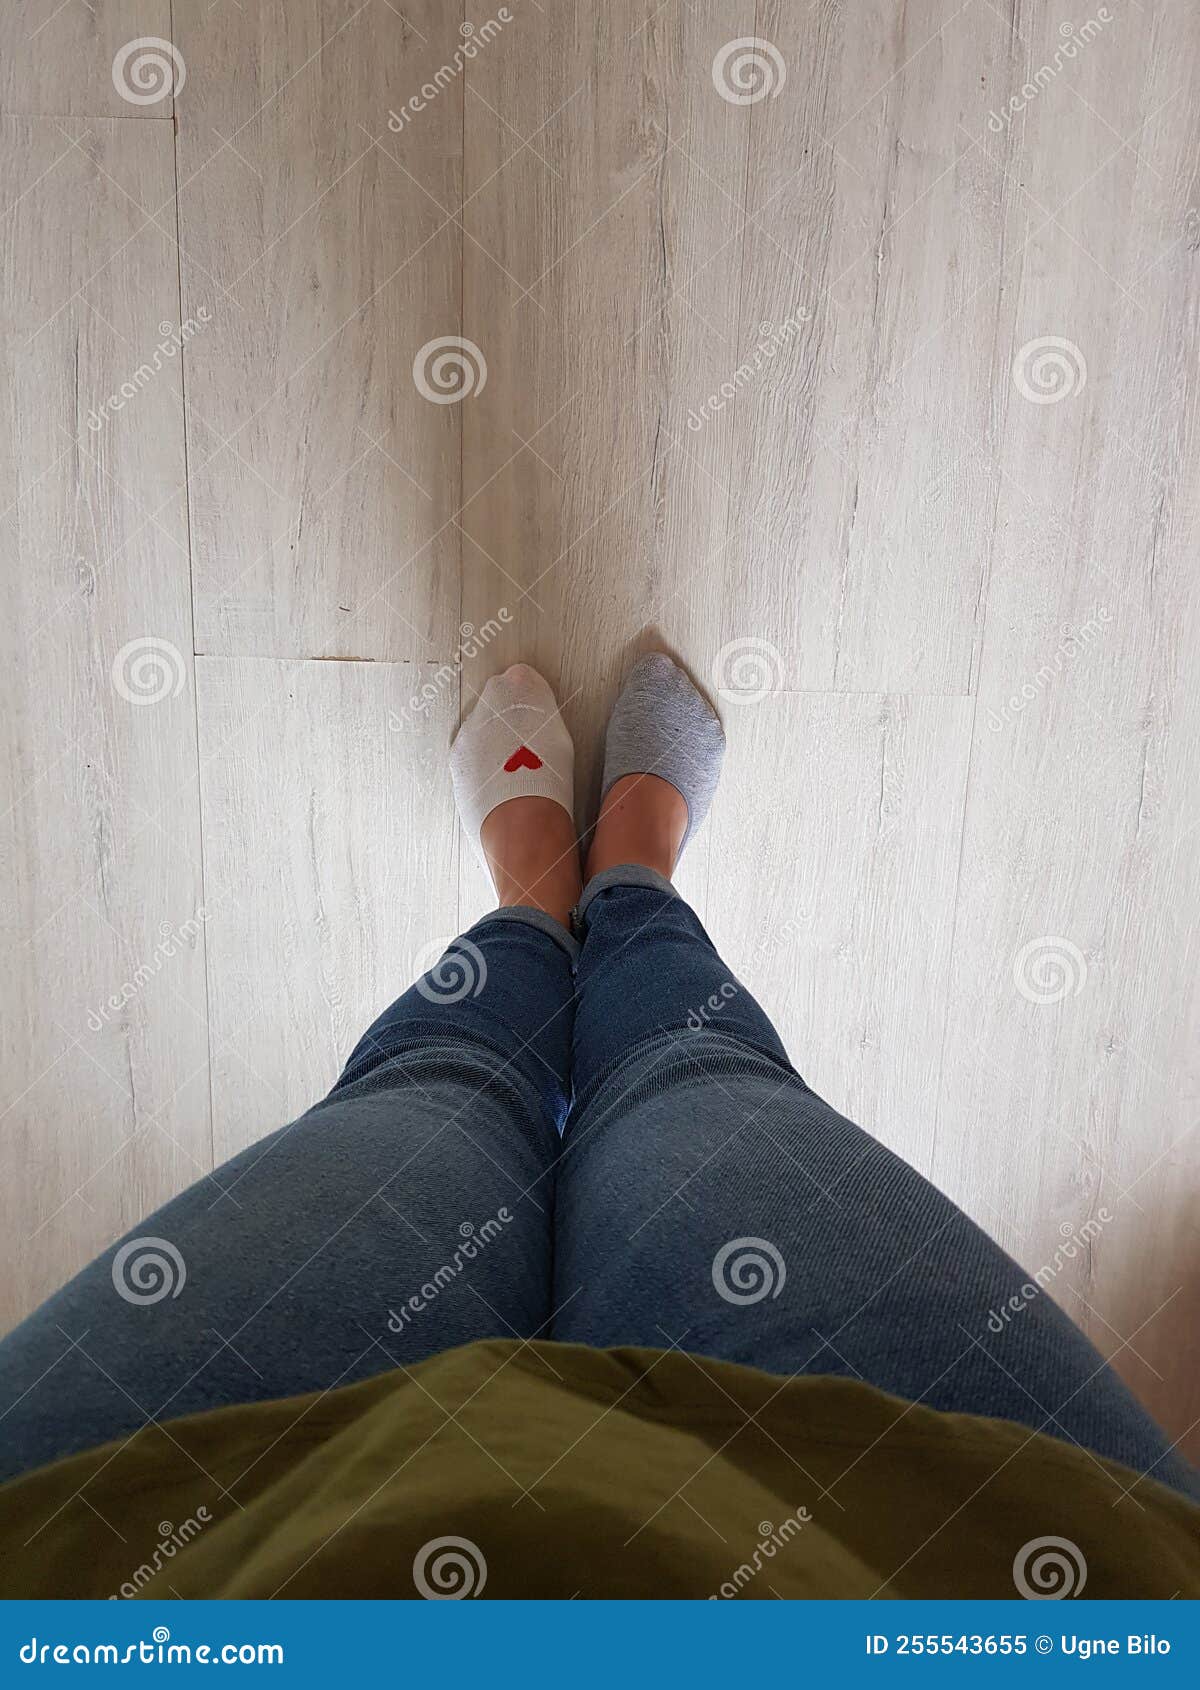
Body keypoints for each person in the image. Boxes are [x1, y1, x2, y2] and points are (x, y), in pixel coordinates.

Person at [0, 655, 1196, 1600]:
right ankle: (631, 877)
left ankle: (539, 901)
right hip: (986, 1565)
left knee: (440, 1087)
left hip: (109, 1559)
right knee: (696, 1071)